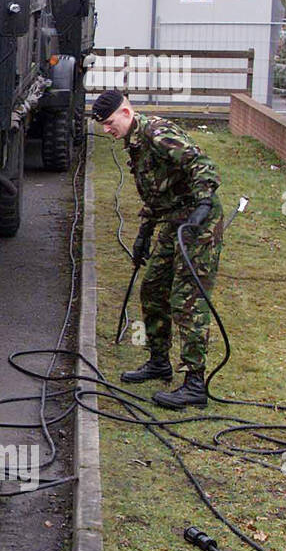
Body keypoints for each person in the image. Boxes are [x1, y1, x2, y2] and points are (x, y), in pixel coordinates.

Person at [92, 90, 224, 408]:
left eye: (110, 123)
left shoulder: (157, 133)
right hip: (173, 220)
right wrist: (143, 234)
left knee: (187, 299)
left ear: (126, 113)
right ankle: (159, 361)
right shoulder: (135, 144)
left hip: (198, 222)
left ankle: (195, 383)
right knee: (152, 288)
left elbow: (201, 164)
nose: (107, 131)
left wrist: (204, 203)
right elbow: (156, 195)